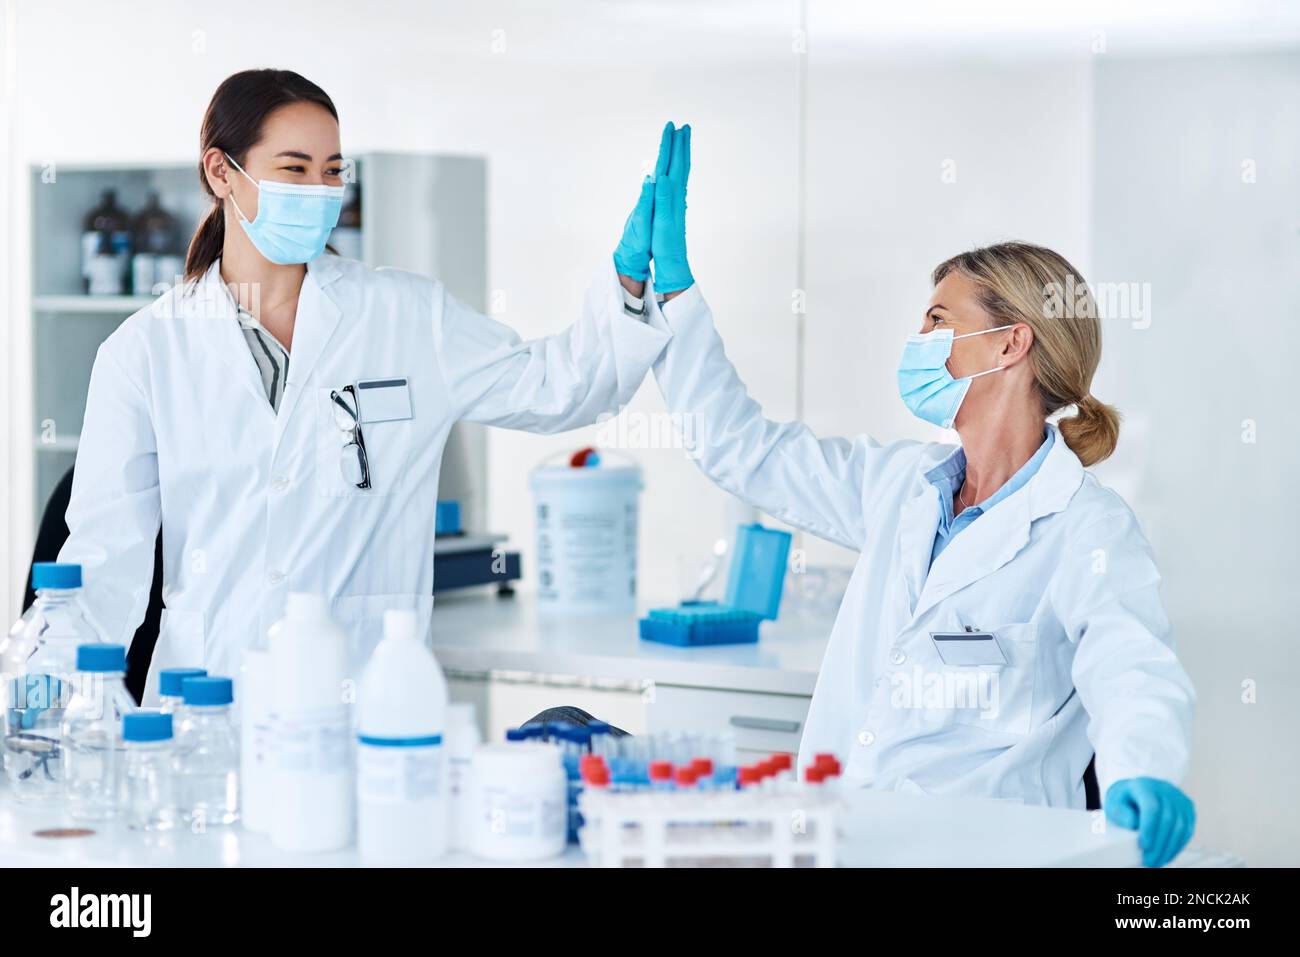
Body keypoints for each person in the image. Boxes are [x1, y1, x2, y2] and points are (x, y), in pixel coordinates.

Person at [622, 121, 1197, 867]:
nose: (917, 339)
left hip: (983, 855)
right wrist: (671, 292)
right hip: (838, 840)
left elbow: (1133, 668)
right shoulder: (899, 486)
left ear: (1009, 344)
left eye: (938, 320)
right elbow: (741, 448)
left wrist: (1145, 771)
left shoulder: (1088, 529)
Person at [58, 69, 673, 700]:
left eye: (332, 171)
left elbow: (559, 387)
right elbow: (103, 566)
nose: (320, 191)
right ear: (221, 173)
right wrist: (44, 698)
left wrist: (627, 284)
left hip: (365, 714)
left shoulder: (406, 317)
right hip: (209, 712)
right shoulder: (145, 351)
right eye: (294, 170)